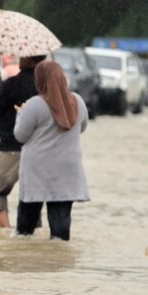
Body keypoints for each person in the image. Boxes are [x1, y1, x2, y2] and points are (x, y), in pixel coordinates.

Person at [12, 61, 90, 240]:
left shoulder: (34, 105)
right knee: (60, 235)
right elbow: (82, 127)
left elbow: (20, 136)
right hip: (66, 172)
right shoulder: (77, 101)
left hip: (37, 172)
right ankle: (58, 258)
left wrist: (20, 114)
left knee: (24, 232)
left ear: (39, 80)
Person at [0, 55, 46, 228]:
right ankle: (32, 230)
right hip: (40, 148)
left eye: (23, 57)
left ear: (29, 60)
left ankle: (5, 229)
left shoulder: (13, 84)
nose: (19, 59)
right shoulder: (47, 86)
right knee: (32, 194)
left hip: (10, 147)